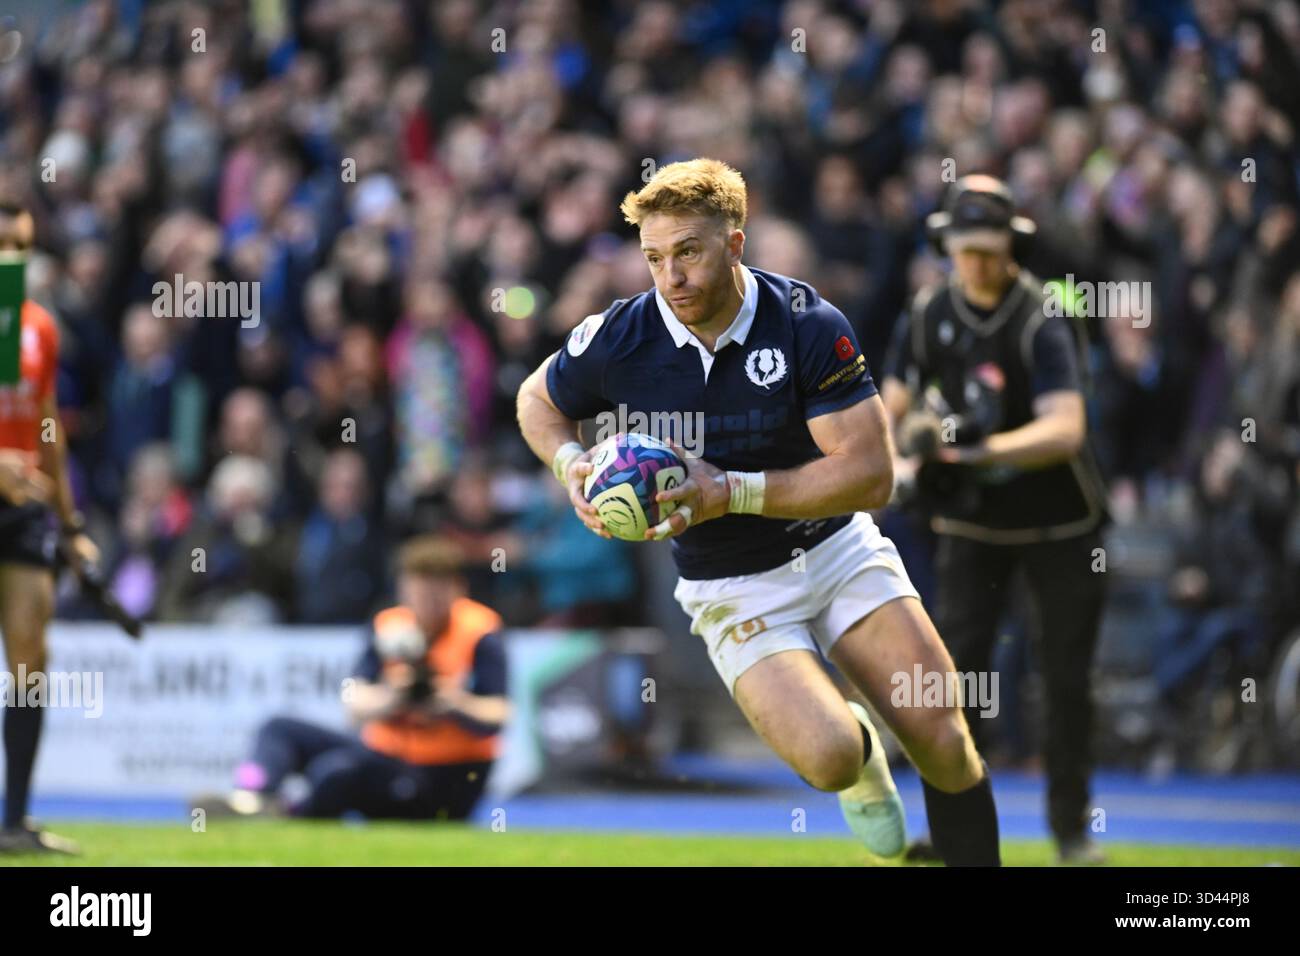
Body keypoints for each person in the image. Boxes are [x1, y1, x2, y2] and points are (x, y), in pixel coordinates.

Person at [516, 159, 1000, 865]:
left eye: (688, 251)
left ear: (734, 244)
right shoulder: (621, 334)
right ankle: (862, 758)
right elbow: (537, 400)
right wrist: (572, 468)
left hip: (835, 550)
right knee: (831, 758)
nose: (670, 276)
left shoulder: (805, 321)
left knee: (941, 733)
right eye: (654, 257)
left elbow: (869, 476)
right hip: (731, 583)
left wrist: (731, 490)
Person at [881, 174, 1109, 864]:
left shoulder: (1043, 316)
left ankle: (1070, 830)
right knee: (953, 681)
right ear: (946, 246)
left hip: (1060, 525)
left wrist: (966, 450)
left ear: (1013, 246)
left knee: (1064, 680)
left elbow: (1065, 429)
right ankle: (958, 837)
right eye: (966, 249)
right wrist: (913, 443)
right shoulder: (926, 313)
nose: (977, 263)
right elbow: (888, 407)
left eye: (990, 249)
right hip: (970, 525)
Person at [195, 536, 508, 820]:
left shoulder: (479, 632)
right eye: (421, 591)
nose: (428, 603)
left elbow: (500, 712)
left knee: (335, 772)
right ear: (404, 588)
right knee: (278, 728)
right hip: (384, 753)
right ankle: (251, 797)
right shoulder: (389, 626)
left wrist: (451, 701)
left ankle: (289, 814)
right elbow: (353, 699)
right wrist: (392, 696)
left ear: (457, 589)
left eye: (437, 593)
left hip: (445, 775)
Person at [0, 200, 99, 854]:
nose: (13, 254)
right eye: (4, 240)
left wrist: (69, 520)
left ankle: (14, 823)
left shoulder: (35, 326)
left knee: (31, 657)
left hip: (25, 508)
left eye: (21, 242)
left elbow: (46, 424)